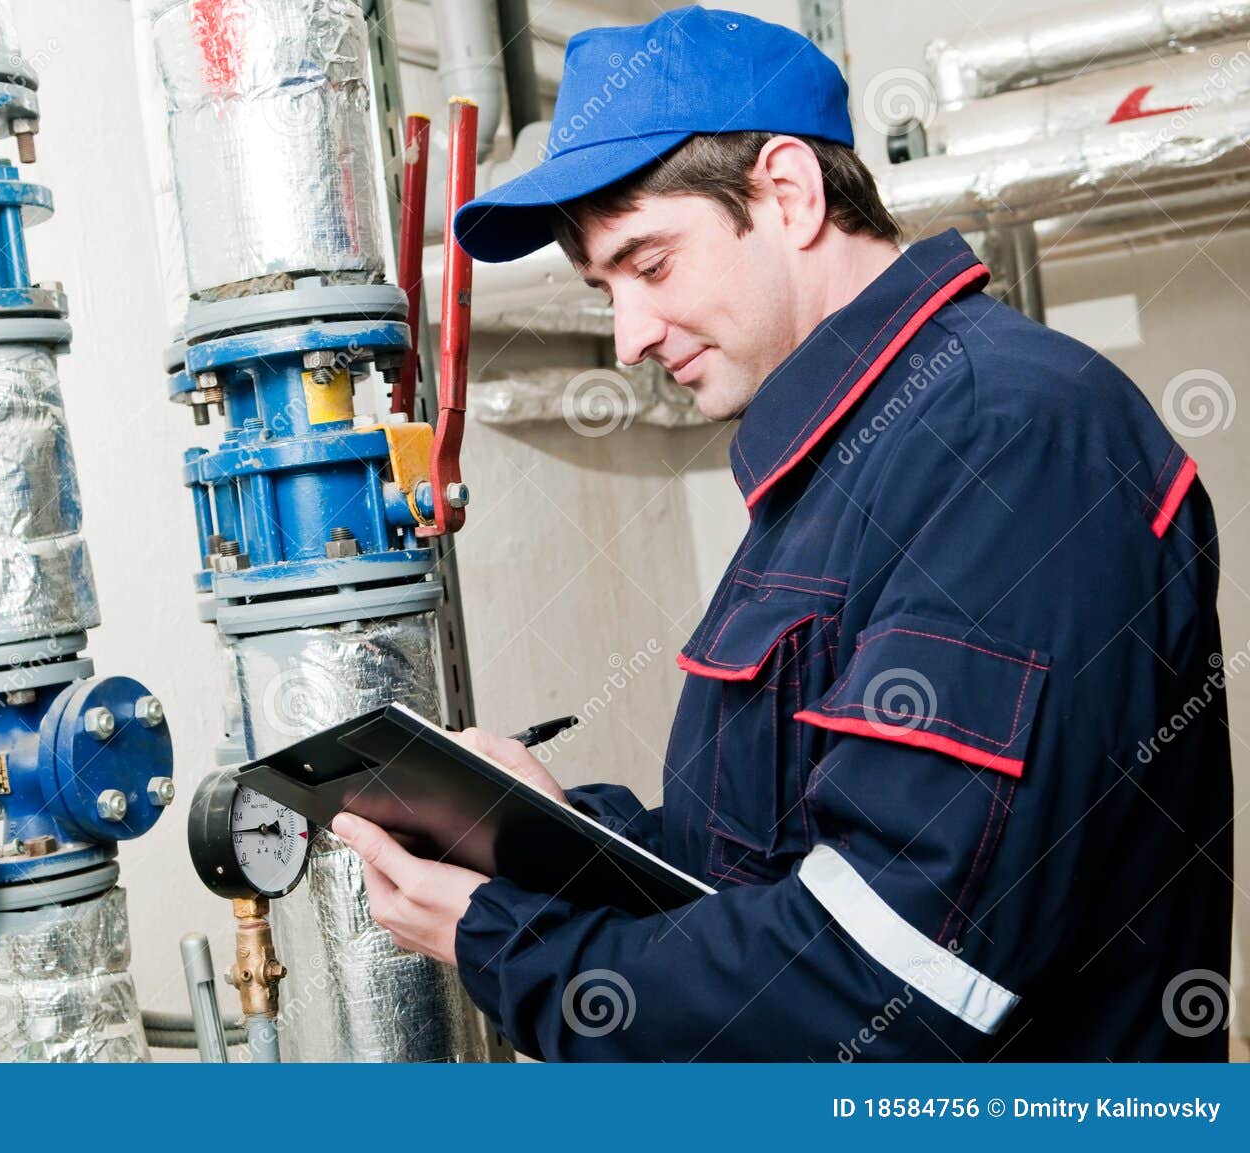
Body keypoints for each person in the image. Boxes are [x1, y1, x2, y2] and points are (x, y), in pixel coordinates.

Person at [330, 6, 1232, 1060]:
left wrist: (510, 946)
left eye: (651, 265)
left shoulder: (1007, 437)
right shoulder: (837, 469)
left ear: (790, 194)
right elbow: (765, 868)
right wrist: (547, 840)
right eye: (602, 288)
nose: (626, 338)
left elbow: (901, 983)